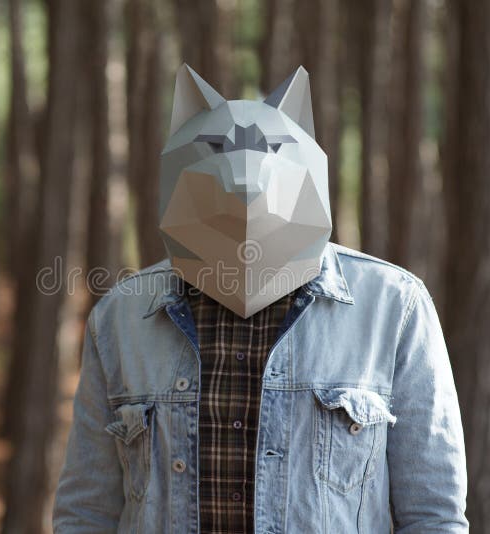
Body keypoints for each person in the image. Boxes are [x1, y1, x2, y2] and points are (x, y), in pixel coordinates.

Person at [52, 64, 468, 533]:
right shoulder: (121, 318)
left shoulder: (394, 309)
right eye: (216, 149)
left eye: (269, 148)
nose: (243, 175)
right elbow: (86, 513)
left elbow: (433, 516)